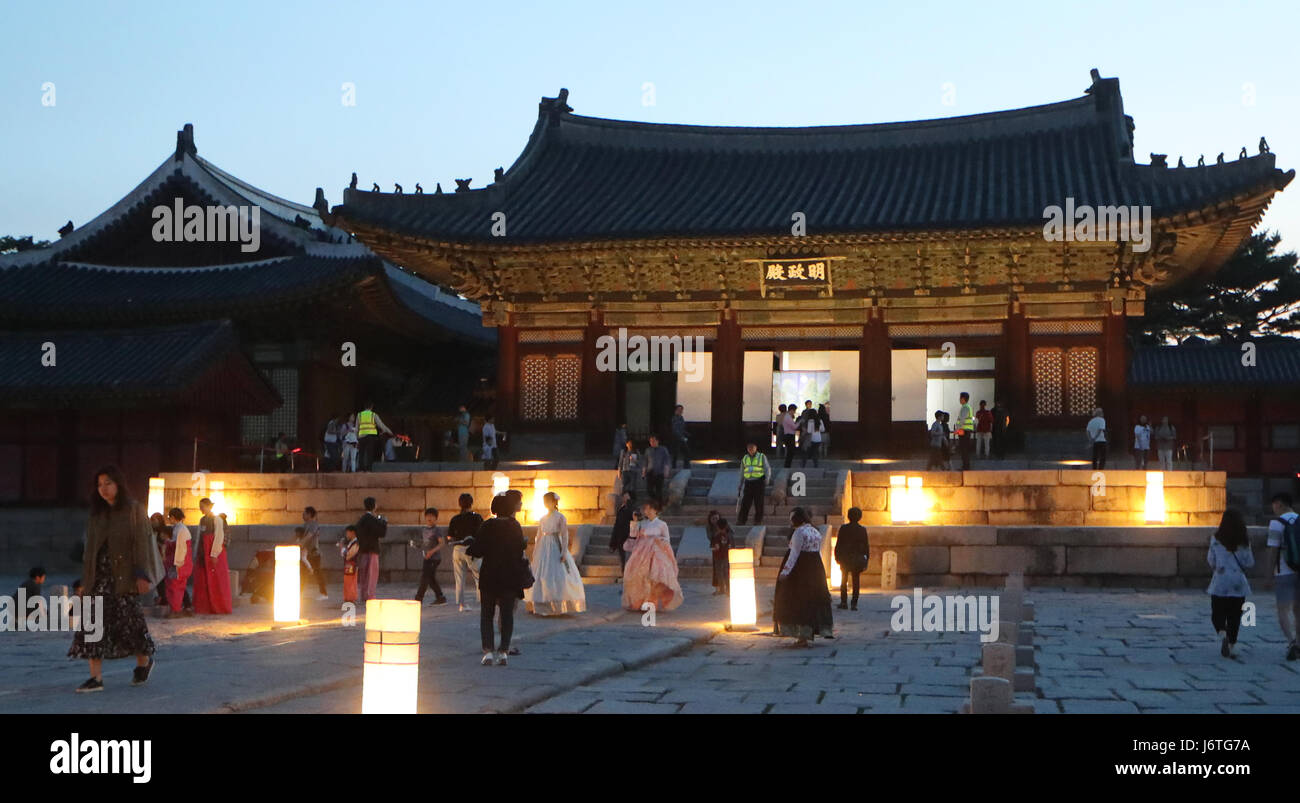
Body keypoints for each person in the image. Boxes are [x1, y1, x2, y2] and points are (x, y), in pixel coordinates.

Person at [68, 466, 161, 693]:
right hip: (98, 578)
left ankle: (143, 662)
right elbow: (90, 550)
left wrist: (142, 574)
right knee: (92, 624)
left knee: (129, 625)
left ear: (119, 484)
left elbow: (142, 542)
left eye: (108, 483)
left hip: (124, 577)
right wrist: (84, 581)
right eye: (99, 485)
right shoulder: (97, 515)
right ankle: (95, 678)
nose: (103, 489)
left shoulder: (134, 510)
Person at [467, 490, 528, 666]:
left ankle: (488, 651)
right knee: (507, 614)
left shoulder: (487, 526)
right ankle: (503, 651)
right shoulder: (514, 526)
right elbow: (519, 548)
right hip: (509, 576)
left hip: (490, 575)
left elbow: (478, 549)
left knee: (487, 614)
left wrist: (471, 545)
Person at [773, 507, 834, 647]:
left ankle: (801, 636)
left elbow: (794, 554)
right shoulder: (815, 531)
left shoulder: (799, 532)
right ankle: (808, 632)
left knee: (798, 601)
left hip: (800, 570)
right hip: (815, 568)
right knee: (811, 601)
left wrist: (785, 572)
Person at [525, 492, 586, 615]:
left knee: (557, 575)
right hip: (544, 547)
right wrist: (536, 551)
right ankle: (541, 603)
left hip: (554, 545)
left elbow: (564, 535)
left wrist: (563, 551)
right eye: (545, 502)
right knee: (541, 575)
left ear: (554, 502)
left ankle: (557, 604)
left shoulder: (560, 517)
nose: (546, 504)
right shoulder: (542, 518)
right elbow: (539, 536)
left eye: (548, 501)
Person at [621, 498, 683, 613]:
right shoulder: (642, 523)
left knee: (655, 579)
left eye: (649, 508)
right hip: (641, 553)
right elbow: (633, 536)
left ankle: (652, 603)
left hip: (656, 554)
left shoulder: (662, 524)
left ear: (655, 510)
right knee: (640, 577)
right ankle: (640, 602)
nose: (646, 511)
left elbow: (667, 540)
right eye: (645, 508)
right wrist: (634, 522)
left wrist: (656, 540)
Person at [1208, 508, 1255, 658]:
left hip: (1220, 581)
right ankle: (1232, 645)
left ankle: (1223, 634)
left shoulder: (1216, 539)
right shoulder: (1244, 541)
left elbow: (1211, 560)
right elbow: (1249, 562)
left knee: (1217, 612)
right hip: (1238, 582)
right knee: (1235, 615)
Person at [1267, 493, 1300, 661]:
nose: (1273, 509)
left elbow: (1273, 550)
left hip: (1284, 572)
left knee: (1282, 609)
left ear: (1279, 504)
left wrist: (1267, 574)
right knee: (1298, 610)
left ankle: (1291, 641)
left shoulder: (1276, 523)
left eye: (1274, 505)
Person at [193, 497, 233, 615]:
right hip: (203, 551)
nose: (201, 509)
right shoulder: (202, 520)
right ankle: (204, 606)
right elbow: (198, 538)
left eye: (203, 507)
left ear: (209, 506)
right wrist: (196, 553)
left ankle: (219, 606)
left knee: (216, 580)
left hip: (212, 550)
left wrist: (214, 553)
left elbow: (219, 536)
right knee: (203, 579)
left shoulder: (217, 520)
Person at [447, 493, 483, 612]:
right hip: (472, 549)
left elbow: (449, 537)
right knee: (478, 576)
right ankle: (481, 601)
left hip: (457, 549)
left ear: (459, 504)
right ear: (471, 503)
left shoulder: (455, 519)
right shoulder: (477, 517)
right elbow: (481, 534)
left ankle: (461, 604)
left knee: (459, 578)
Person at [835, 507, 870, 611]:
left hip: (845, 557)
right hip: (857, 558)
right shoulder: (862, 530)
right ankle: (854, 603)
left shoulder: (843, 528)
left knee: (843, 580)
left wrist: (837, 556)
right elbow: (866, 545)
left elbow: (839, 544)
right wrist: (867, 558)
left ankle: (843, 602)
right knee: (856, 581)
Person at [354, 497, 387, 603]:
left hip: (363, 550)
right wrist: (384, 522)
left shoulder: (361, 520)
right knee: (372, 574)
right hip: (372, 549)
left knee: (363, 575)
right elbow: (381, 533)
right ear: (374, 505)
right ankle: (370, 596)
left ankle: (363, 595)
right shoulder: (372, 519)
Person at [414, 507, 448, 605]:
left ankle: (418, 598)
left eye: (432, 516)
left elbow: (442, 543)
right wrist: (417, 545)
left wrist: (432, 551)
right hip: (427, 557)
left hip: (434, 558)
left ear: (436, 518)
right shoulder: (424, 529)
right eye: (428, 516)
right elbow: (424, 543)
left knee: (425, 577)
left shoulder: (437, 530)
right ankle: (440, 597)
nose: (430, 518)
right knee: (431, 578)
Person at [163, 508, 193, 617]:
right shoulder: (179, 529)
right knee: (174, 585)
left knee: (175, 586)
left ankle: (175, 609)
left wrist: (178, 564)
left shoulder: (180, 530)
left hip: (178, 562)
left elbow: (180, 548)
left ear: (173, 517)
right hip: (177, 561)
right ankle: (177, 608)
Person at [737, 442, 771, 525]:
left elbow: (767, 468)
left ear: (756, 448)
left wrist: (767, 479)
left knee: (759, 502)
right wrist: (740, 484)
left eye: (752, 448)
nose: (751, 450)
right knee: (745, 502)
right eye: (749, 448)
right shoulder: (745, 458)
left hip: (758, 482)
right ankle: (742, 520)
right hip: (748, 482)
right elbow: (742, 471)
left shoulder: (761, 456)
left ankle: (758, 520)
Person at [299, 506, 328, 599]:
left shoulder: (313, 525)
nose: (303, 515)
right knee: (302, 574)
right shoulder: (305, 525)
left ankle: (324, 593)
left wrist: (299, 544)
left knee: (317, 572)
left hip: (313, 552)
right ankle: (298, 593)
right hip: (305, 553)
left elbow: (309, 536)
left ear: (309, 514)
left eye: (305, 513)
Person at [357, 403, 393, 472]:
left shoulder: (359, 415)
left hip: (361, 436)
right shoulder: (373, 415)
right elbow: (381, 425)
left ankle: (361, 469)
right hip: (370, 436)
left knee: (361, 453)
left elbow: (357, 428)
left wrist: (356, 438)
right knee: (369, 453)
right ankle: (368, 469)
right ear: (371, 407)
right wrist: (389, 431)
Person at [609, 490, 636, 580]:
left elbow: (632, 516)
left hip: (628, 537)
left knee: (627, 558)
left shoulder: (631, 508)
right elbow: (616, 525)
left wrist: (629, 503)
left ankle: (627, 575)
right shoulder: (621, 508)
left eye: (626, 496)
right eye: (624, 496)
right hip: (620, 537)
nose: (624, 498)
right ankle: (624, 574)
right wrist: (613, 541)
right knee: (622, 558)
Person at [709, 517, 735, 596]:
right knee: (726, 573)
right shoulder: (728, 536)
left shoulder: (716, 536)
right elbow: (730, 545)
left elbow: (716, 547)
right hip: (726, 556)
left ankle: (722, 589)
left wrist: (712, 548)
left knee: (719, 573)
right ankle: (729, 589)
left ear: (717, 526)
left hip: (718, 557)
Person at [643, 435, 671, 503]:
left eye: (653, 441)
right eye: (650, 441)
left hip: (659, 472)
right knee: (649, 490)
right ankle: (657, 501)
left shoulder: (663, 449)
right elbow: (645, 462)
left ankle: (659, 505)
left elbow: (666, 461)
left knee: (659, 490)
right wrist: (643, 472)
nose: (652, 442)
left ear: (657, 441)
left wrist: (666, 470)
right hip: (650, 472)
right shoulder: (648, 450)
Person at [338, 527, 360, 604]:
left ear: (352, 533)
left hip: (352, 565)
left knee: (351, 582)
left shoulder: (356, 543)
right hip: (349, 565)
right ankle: (348, 598)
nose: (346, 535)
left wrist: (342, 548)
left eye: (347, 533)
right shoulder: (352, 543)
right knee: (347, 581)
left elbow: (349, 554)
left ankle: (351, 598)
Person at [954, 392, 974, 471]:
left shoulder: (965, 407)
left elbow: (962, 420)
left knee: (964, 449)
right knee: (965, 449)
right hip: (966, 430)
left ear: (963, 399)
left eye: (960, 398)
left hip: (964, 431)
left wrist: (957, 429)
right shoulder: (968, 407)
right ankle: (966, 466)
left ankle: (965, 467)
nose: (959, 399)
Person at [781, 403, 799, 468]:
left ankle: (787, 465)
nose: (794, 412)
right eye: (794, 411)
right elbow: (794, 427)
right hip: (789, 436)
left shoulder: (787, 416)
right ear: (791, 410)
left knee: (790, 452)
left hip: (788, 435)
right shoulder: (788, 417)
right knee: (790, 452)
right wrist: (799, 422)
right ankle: (787, 466)